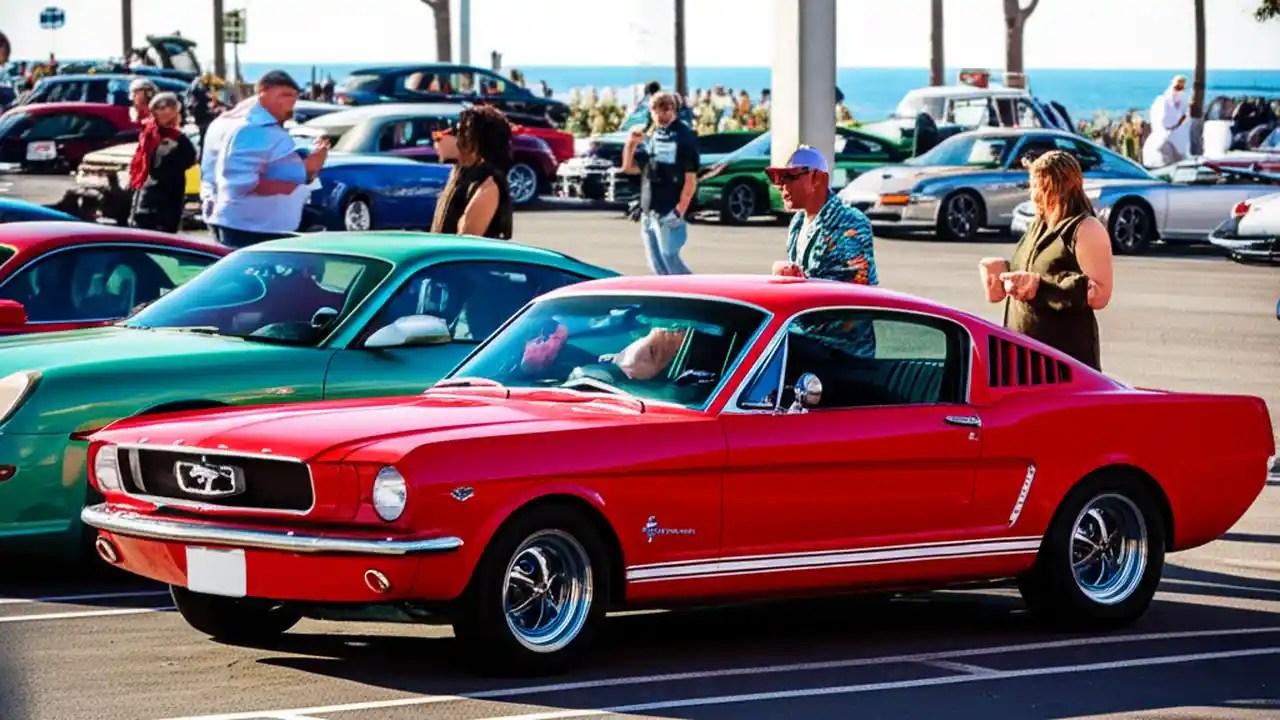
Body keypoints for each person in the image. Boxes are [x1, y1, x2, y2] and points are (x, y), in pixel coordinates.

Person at [979, 150, 1114, 370]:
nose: (1031, 195)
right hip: (1021, 359)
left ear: (1053, 187)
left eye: (1035, 186)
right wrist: (1004, 272)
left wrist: (1039, 287)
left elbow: (1100, 294)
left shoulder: (1085, 229)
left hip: (1062, 365)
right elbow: (1039, 270)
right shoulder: (1038, 225)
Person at [207, 70, 329, 248]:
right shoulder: (253, 129)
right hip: (248, 229)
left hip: (262, 227)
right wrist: (308, 169)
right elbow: (243, 183)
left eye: (295, 96)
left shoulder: (267, 128)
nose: (291, 101)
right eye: (285, 95)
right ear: (263, 91)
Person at [768, 145, 877, 286]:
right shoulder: (798, 222)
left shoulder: (850, 221)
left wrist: (802, 280)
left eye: (789, 177)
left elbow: (856, 286)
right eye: (778, 178)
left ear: (818, 178)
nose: (782, 185)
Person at [620, 91, 699, 275]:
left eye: (667, 111)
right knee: (657, 266)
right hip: (649, 210)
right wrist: (630, 145)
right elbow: (629, 168)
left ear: (674, 111)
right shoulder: (652, 134)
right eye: (657, 112)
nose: (662, 117)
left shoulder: (684, 136)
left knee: (671, 261)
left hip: (669, 210)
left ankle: (695, 295)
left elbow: (690, 179)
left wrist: (679, 210)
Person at [429, 105, 515, 239]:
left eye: (458, 132)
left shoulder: (488, 186)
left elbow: (465, 244)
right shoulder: (461, 173)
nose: (439, 137)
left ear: (474, 143)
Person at [127, 92, 196, 233]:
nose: (165, 111)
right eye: (161, 108)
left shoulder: (179, 139)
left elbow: (189, 159)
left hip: (168, 200)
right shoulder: (149, 133)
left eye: (169, 107)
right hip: (146, 198)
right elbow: (141, 164)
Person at [1142, 75, 1190, 167]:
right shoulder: (1162, 101)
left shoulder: (1183, 101)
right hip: (1164, 140)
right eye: (1177, 86)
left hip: (1179, 141)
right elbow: (1164, 120)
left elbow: (1185, 118)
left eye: (1182, 87)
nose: (1179, 90)